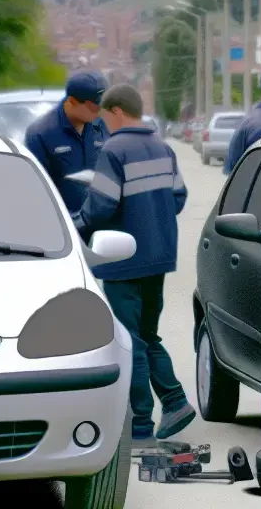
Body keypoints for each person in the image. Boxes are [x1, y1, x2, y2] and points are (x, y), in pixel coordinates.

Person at [70, 84, 194, 444]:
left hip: (123, 260)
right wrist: (152, 218)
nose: (103, 125)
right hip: (158, 259)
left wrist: (73, 224)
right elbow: (179, 197)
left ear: (117, 112)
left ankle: (141, 425)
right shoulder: (164, 149)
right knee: (148, 334)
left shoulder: (113, 151)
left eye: (104, 118)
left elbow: (102, 207)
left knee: (131, 341)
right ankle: (174, 401)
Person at [25, 72, 111, 213]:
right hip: (65, 225)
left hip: (100, 222)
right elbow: (37, 190)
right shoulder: (41, 133)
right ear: (72, 101)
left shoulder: (103, 127)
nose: (99, 111)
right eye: (95, 107)